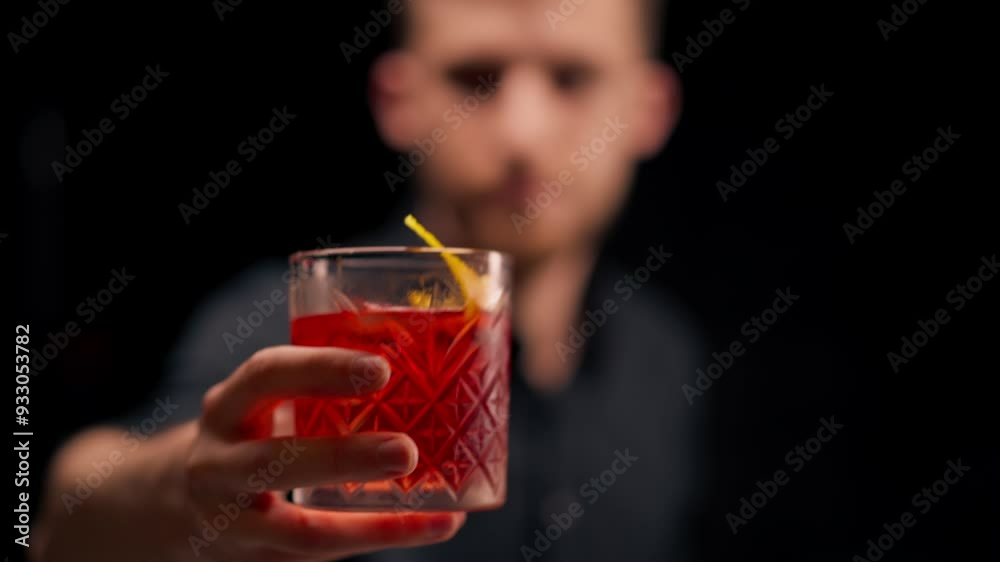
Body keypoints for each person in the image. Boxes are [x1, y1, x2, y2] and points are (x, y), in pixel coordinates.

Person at [33, 0, 705, 560]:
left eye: (572, 78)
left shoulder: (667, 356)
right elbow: (64, 520)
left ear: (651, 109)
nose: (522, 134)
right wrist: (174, 486)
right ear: (396, 100)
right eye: (475, 78)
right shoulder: (303, 326)